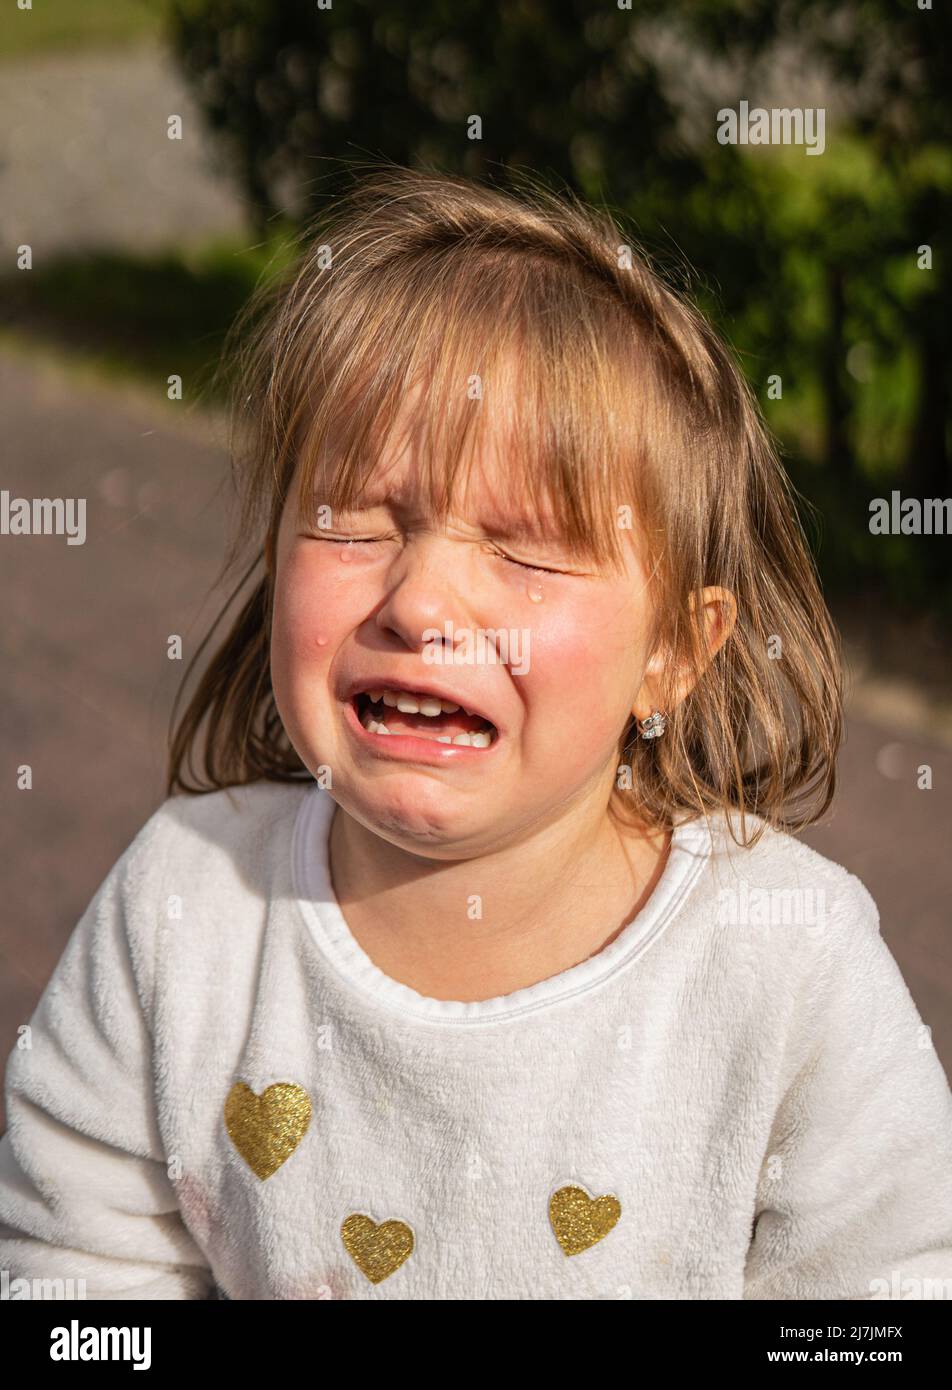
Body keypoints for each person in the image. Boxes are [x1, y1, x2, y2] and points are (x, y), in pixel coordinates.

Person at [2, 166, 951, 1301]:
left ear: (675, 653)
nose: (420, 604)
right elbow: (69, 1276)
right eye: (354, 522)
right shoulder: (183, 911)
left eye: (526, 549)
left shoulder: (785, 964)